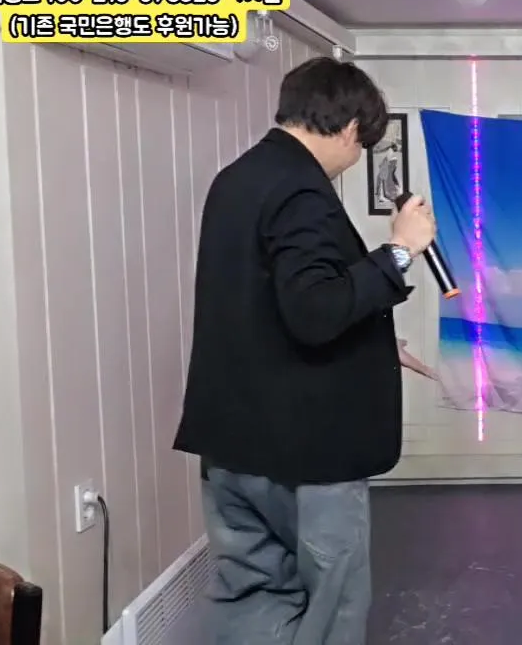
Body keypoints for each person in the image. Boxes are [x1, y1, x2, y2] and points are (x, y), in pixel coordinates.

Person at [173, 56, 436, 645]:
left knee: (251, 594)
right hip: (306, 452)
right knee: (331, 604)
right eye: (361, 145)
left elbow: (266, 304)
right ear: (350, 128)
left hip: (231, 442)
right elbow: (316, 311)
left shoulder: (236, 179)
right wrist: (399, 251)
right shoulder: (302, 191)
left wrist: (376, 342)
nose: (354, 158)